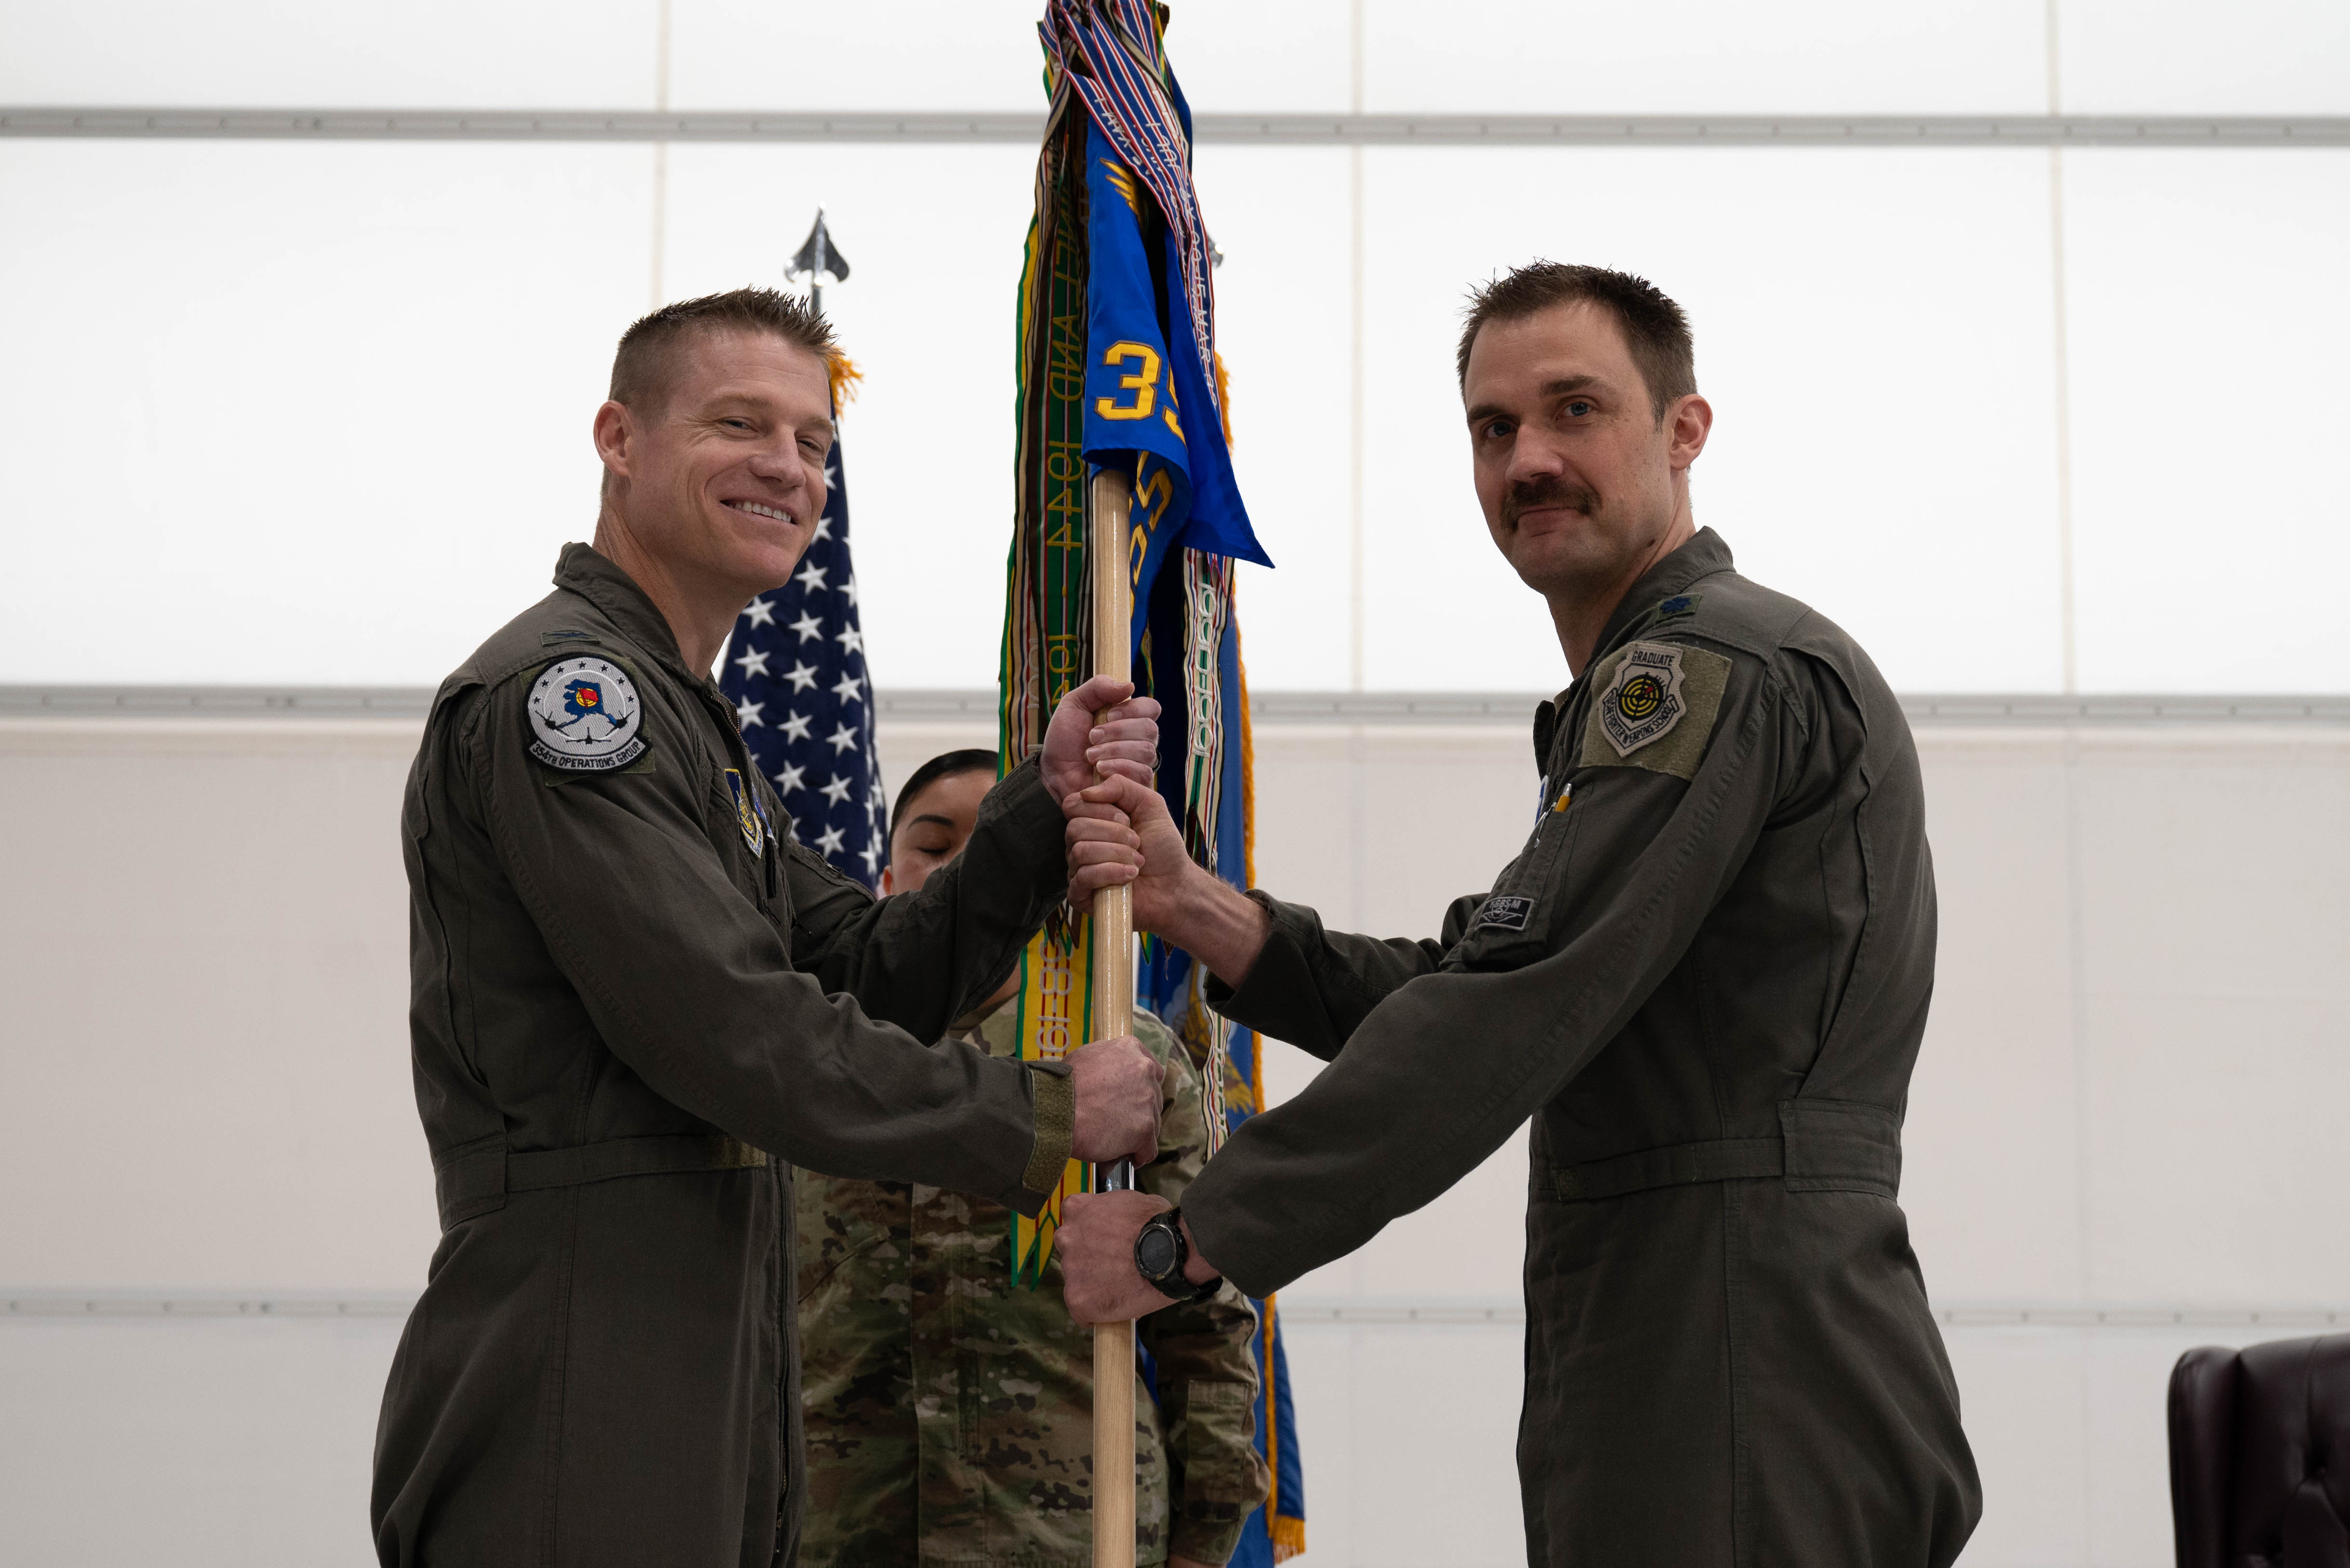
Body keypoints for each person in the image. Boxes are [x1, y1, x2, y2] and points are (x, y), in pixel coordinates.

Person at [1059, 264, 1984, 1566]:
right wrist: (1193, 906)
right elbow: (1482, 985)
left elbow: (1507, 1011)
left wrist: (1188, 1238)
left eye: (1574, 410)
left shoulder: (1703, 667)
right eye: (1493, 428)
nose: (1529, 458)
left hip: (1735, 1356)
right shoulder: (1667, 675)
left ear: (1683, 430)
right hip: (1694, 1338)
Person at [372, 288, 1169, 1568]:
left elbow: (862, 967)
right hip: (589, 1350)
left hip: (706, 1347)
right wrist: (1045, 1113)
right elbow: (736, 1029)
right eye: (738, 423)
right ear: (619, 438)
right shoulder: (574, 701)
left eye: (811, 440)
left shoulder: (685, 718)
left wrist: (1038, 808)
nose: (786, 467)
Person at [796, 748, 1269, 1568]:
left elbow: (1204, 1317)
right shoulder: (806, 1059)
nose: (959, 867)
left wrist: (1203, 1537)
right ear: (885, 880)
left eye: (989, 844)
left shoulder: (1125, 1058)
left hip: (1067, 1532)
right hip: (840, 1527)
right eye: (934, 846)